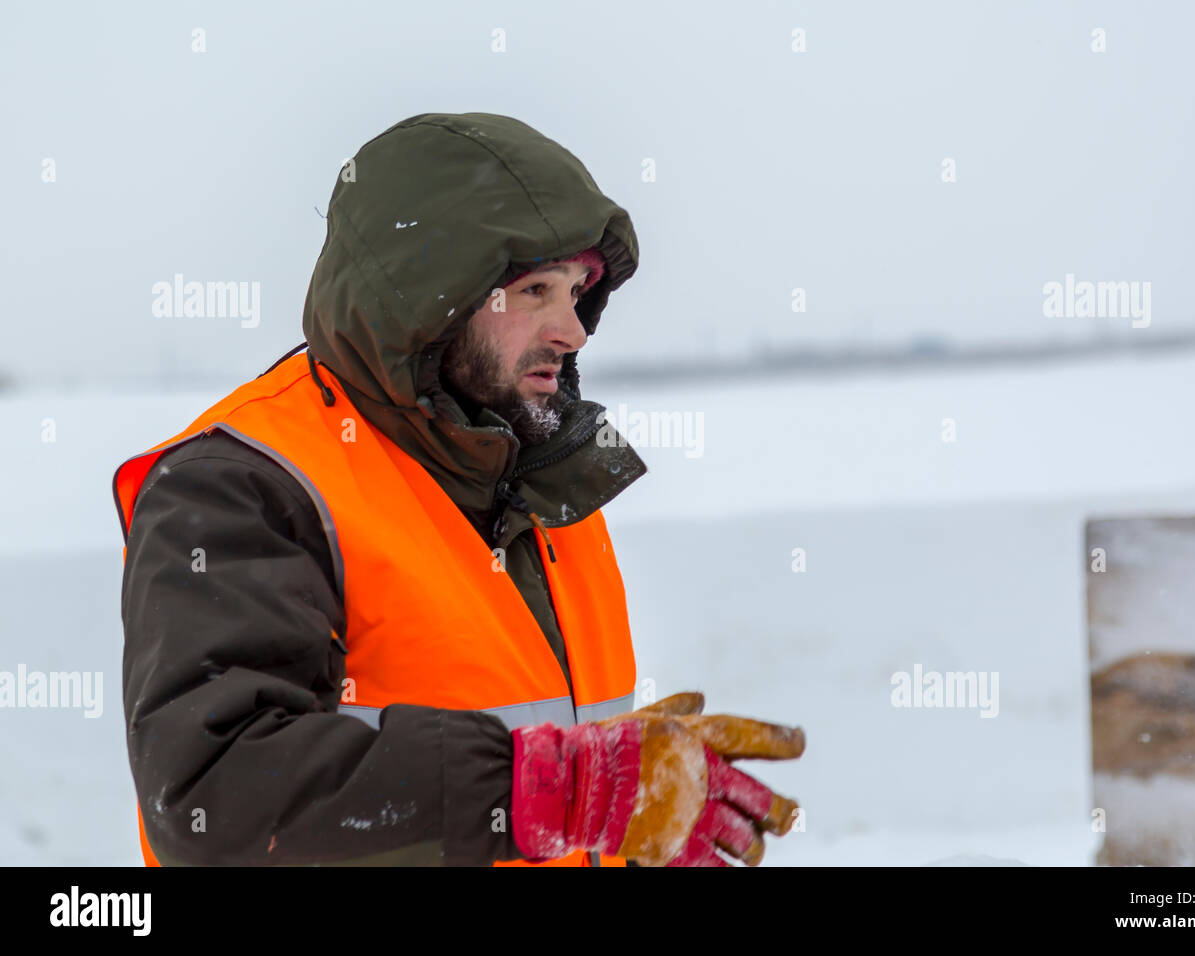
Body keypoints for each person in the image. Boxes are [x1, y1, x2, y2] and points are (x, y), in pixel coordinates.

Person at [113, 112, 805, 867]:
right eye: (536, 289)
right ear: (427, 304)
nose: (572, 328)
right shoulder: (243, 484)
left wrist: (623, 815)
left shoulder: (540, 476)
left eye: (577, 292)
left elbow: (528, 756)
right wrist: (557, 788)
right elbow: (213, 789)